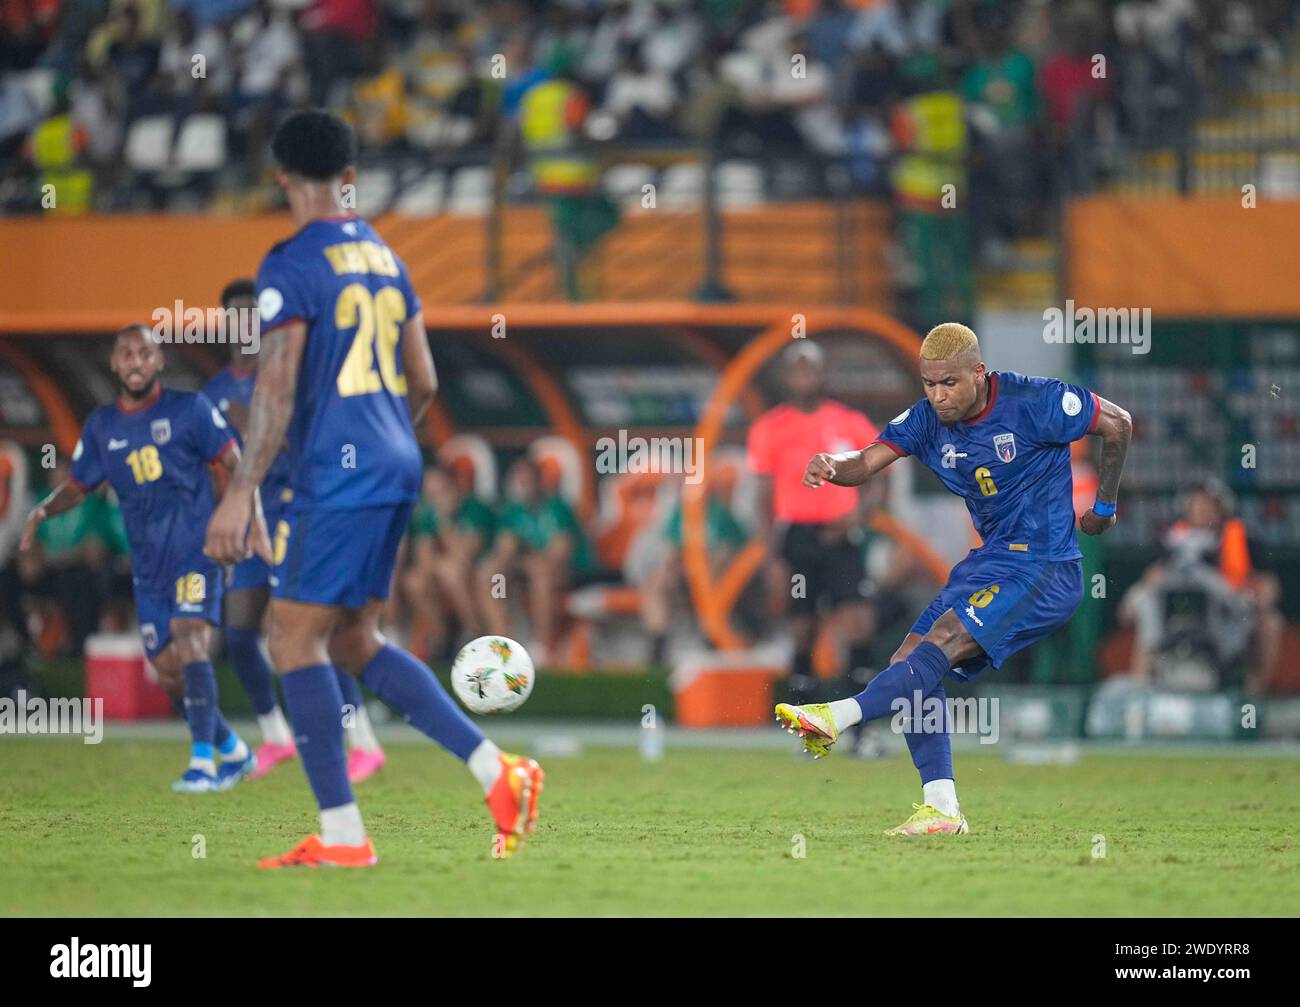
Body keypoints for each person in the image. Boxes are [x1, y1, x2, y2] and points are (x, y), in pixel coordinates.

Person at [205, 109, 542, 869]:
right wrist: (385, 436)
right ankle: (499, 771)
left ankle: (346, 837)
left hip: (339, 469)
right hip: (396, 459)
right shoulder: (388, 257)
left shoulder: (289, 264)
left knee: (291, 635)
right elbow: (423, 378)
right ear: (349, 178)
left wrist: (241, 491)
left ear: (282, 178)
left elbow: (277, 387)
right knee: (354, 637)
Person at [776, 322, 1133, 836]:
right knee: (910, 662)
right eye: (929, 384)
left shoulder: (1037, 400)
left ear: (979, 374)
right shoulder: (926, 420)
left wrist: (1104, 507)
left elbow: (1118, 423)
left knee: (941, 643)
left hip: (1044, 564)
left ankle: (838, 717)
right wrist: (835, 464)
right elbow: (869, 459)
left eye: (949, 384)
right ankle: (942, 808)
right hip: (988, 562)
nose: (938, 396)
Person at [21, 324, 257, 793]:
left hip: (195, 552)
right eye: (126, 354)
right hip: (148, 569)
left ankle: (203, 764)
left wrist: (244, 520)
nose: (135, 362)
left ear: (159, 361)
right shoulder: (103, 426)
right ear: (114, 365)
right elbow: (81, 484)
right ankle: (233, 747)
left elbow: (238, 463)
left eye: (144, 353)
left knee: (192, 639)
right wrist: (44, 510)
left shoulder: (191, 410)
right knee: (168, 671)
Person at [204, 278, 387, 783]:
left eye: (251, 314)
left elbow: (322, 446)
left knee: (313, 631)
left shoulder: (289, 379)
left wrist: (266, 432)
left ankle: (363, 741)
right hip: (246, 522)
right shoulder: (213, 394)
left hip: (295, 512)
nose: (245, 324)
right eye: (234, 315)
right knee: (239, 632)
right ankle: (276, 734)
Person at [748, 341, 880, 701]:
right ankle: (806, 726)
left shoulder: (848, 422)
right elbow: (763, 499)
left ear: (823, 374)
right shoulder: (770, 428)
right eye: (798, 369)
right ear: (787, 378)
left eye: (811, 368)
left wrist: (858, 513)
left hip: (842, 535)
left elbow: (879, 473)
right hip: (798, 537)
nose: (805, 376)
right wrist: (772, 557)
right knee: (802, 628)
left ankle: (860, 727)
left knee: (858, 623)